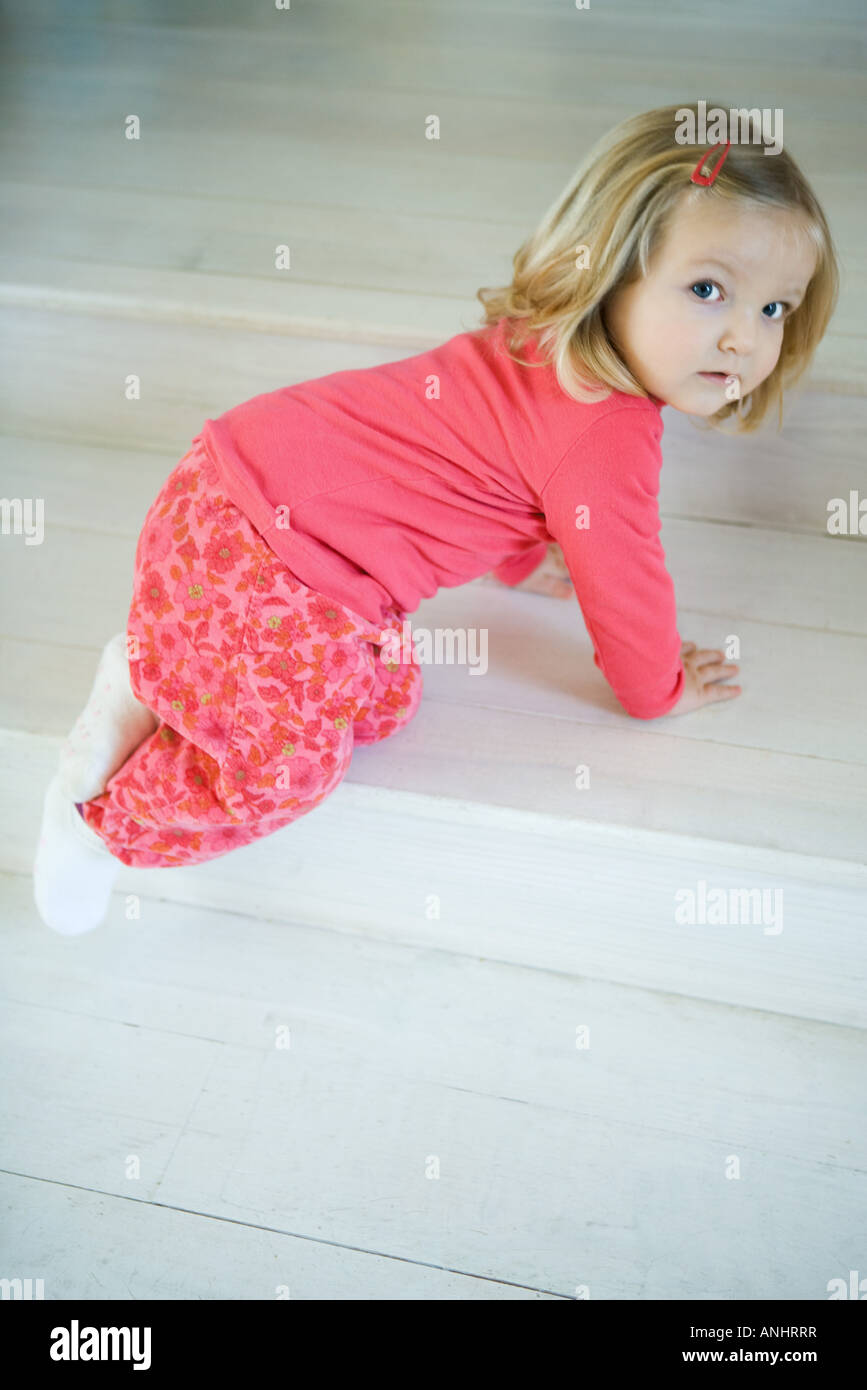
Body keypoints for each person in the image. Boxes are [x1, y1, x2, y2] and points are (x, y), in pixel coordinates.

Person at [32, 101, 838, 935]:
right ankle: (98, 822)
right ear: (609, 270)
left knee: (385, 701)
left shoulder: (539, 339)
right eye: (708, 291)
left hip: (214, 486)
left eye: (775, 309)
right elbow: (625, 584)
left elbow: (482, 457)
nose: (745, 338)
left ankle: (151, 665)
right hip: (267, 568)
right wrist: (658, 689)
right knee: (289, 772)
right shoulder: (610, 438)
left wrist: (527, 562)